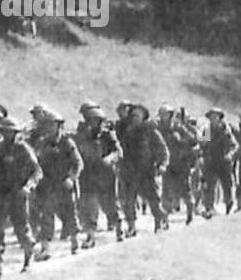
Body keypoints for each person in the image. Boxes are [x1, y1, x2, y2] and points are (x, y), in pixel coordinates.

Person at [0, 116, 40, 275]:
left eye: (11, 132)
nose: (8, 135)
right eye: (5, 132)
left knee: (22, 228)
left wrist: (28, 187)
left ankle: (28, 257)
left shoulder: (23, 149)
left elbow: (36, 171)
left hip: (18, 194)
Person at [30, 109, 84, 260]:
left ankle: (75, 243)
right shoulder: (42, 143)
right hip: (48, 185)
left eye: (53, 125)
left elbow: (78, 163)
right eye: (47, 125)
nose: (50, 128)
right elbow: (36, 162)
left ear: (59, 126)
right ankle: (46, 248)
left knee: (70, 215)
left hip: (64, 184)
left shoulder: (67, 142)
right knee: (46, 216)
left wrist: (71, 178)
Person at [73, 103, 122, 244]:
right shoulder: (80, 134)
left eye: (95, 120)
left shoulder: (107, 135)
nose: (92, 122)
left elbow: (118, 151)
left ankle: (118, 226)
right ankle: (90, 236)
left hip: (105, 174)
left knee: (109, 204)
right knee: (88, 206)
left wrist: (109, 158)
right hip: (87, 174)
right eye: (89, 119)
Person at [120, 102, 170, 233]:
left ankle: (160, 220)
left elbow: (163, 150)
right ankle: (131, 227)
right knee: (128, 201)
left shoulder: (151, 132)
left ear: (143, 117)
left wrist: (162, 165)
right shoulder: (127, 132)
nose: (134, 118)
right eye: (133, 116)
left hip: (147, 172)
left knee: (153, 200)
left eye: (137, 116)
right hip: (130, 171)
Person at [158, 104, 201, 224]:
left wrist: (181, 142)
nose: (163, 117)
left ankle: (190, 213)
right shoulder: (159, 129)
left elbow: (194, 140)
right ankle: (165, 219)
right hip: (167, 164)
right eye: (161, 115)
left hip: (181, 164)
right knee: (166, 191)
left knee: (185, 190)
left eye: (165, 114)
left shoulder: (179, 128)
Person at [200, 107, 238, 216]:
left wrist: (229, 155)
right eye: (211, 117)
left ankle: (229, 203)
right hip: (211, 161)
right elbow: (203, 145)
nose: (213, 119)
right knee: (209, 185)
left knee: (226, 185)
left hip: (224, 162)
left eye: (215, 117)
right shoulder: (207, 131)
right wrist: (201, 151)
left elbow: (234, 146)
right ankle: (209, 208)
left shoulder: (226, 131)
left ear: (219, 118)